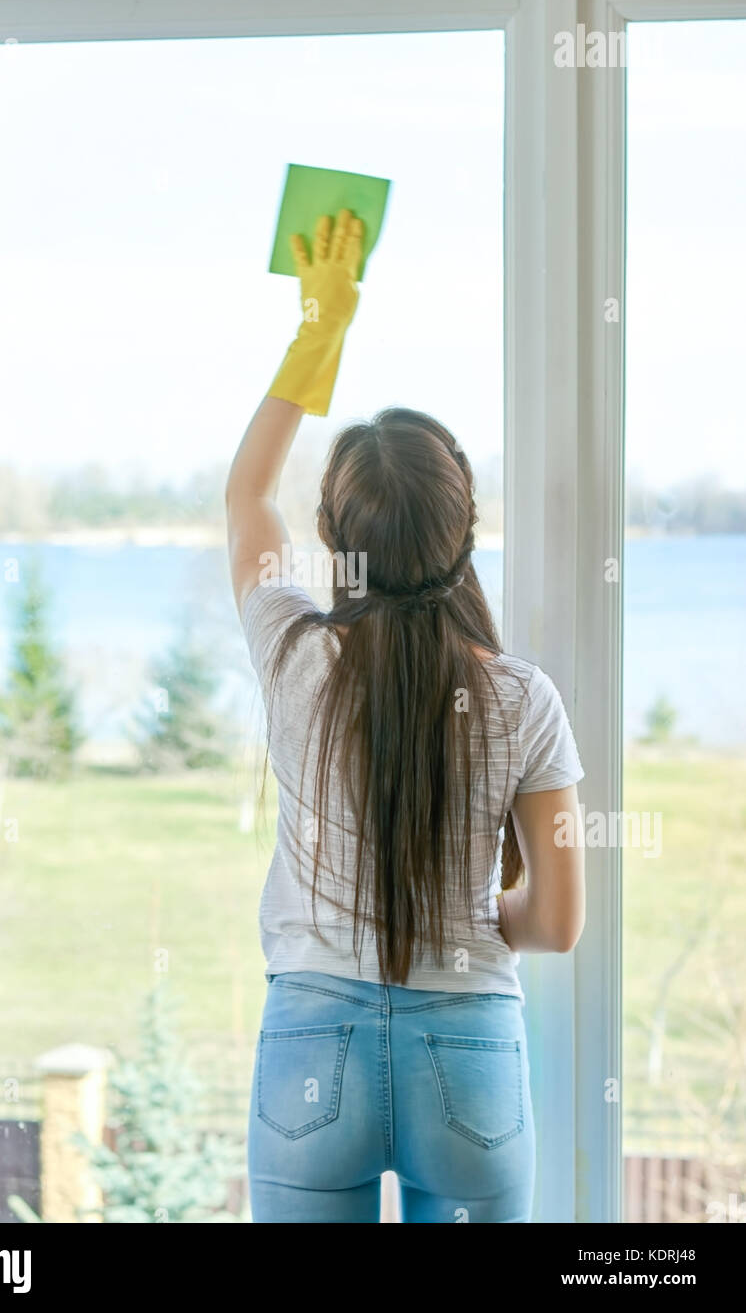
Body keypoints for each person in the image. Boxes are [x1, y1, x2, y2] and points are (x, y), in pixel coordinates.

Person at [225, 210, 585, 1224]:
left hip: (310, 1051)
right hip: (465, 1061)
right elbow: (553, 923)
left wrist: (319, 326)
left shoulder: (294, 654)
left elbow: (247, 493)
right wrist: (474, 925)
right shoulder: (521, 697)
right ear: (462, 533)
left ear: (333, 532)